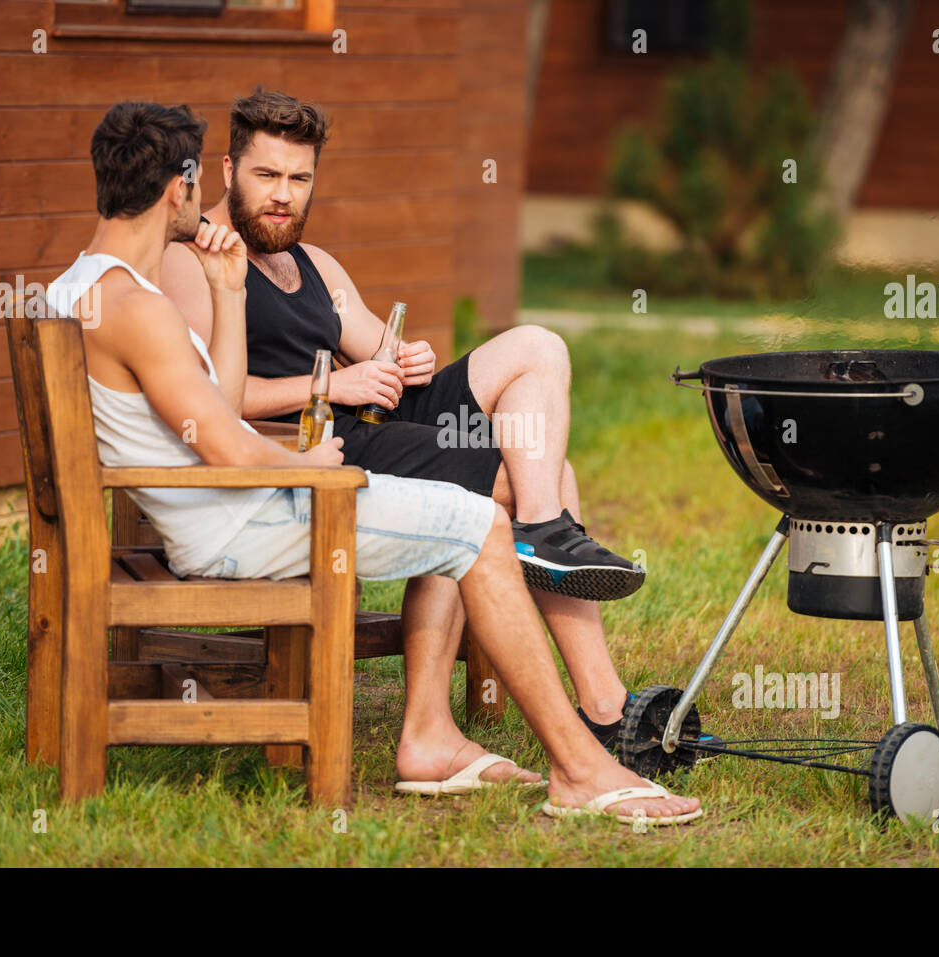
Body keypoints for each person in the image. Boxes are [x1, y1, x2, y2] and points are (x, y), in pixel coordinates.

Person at [49, 99, 700, 825]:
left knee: (490, 495)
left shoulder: (81, 286)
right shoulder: (136, 304)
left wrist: (232, 295)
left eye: (300, 175)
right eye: (212, 182)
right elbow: (225, 438)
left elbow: (213, 407)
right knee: (482, 521)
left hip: (236, 499)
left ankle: (556, 733)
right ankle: (579, 765)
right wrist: (312, 465)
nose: (273, 191)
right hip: (242, 512)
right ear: (183, 188)